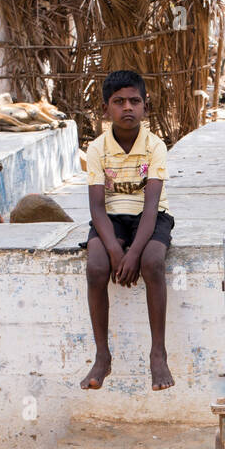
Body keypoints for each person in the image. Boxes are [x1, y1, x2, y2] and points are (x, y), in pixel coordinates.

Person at [80, 69, 175, 391]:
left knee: (152, 262)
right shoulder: (97, 149)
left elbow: (151, 206)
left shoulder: (155, 146)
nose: (127, 108)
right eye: (118, 102)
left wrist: (133, 253)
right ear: (106, 109)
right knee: (96, 267)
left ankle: (158, 354)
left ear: (146, 106)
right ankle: (102, 356)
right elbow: (96, 207)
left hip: (151, 216)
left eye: (135, 101)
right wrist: (115, 250)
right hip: (111, 217)